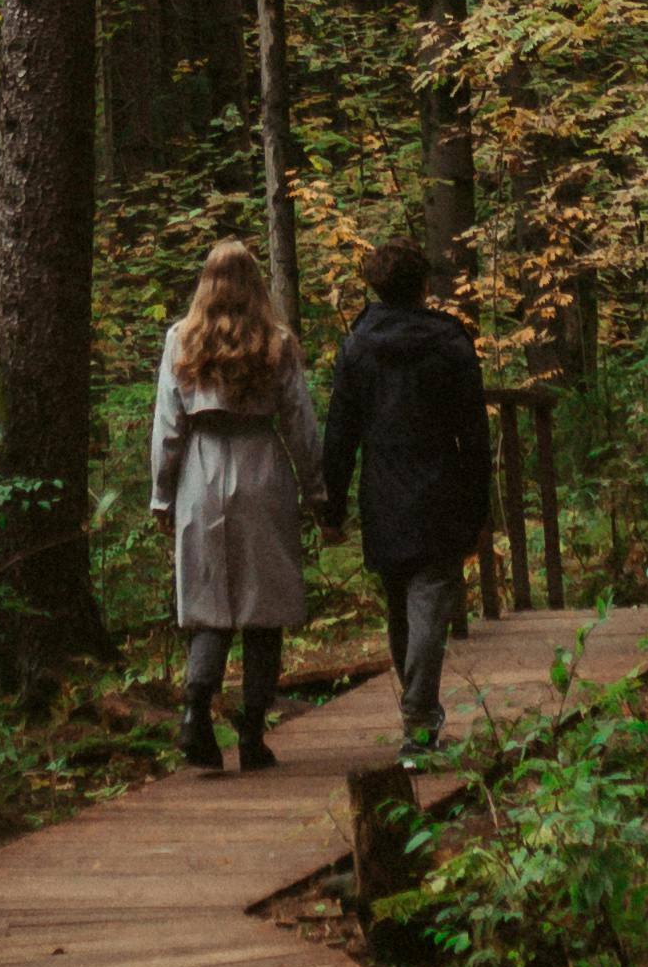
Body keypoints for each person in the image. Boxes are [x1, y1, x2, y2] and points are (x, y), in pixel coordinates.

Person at [148, 235, 322, 772]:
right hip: (261, 470)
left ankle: (195, 717)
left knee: (209, 605)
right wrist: (316, 487)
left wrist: (161, 493)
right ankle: (251, 733)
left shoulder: (182, 339)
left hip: (201, 469)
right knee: (262, 608)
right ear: (254, 284)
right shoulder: (276, 341)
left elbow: (168, 426)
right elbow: (299, 420)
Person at [321, 235, 491, 766]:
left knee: (404, 604)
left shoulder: (357, 347)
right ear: (422, 285)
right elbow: (475, 431)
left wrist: (331, 506)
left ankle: (418, 717)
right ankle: (418, 723)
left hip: (384, 490)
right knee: (424, 605)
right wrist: (480, 502)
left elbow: (340, 431)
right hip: (441, 485)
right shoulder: (451, 342)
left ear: (376, 283)